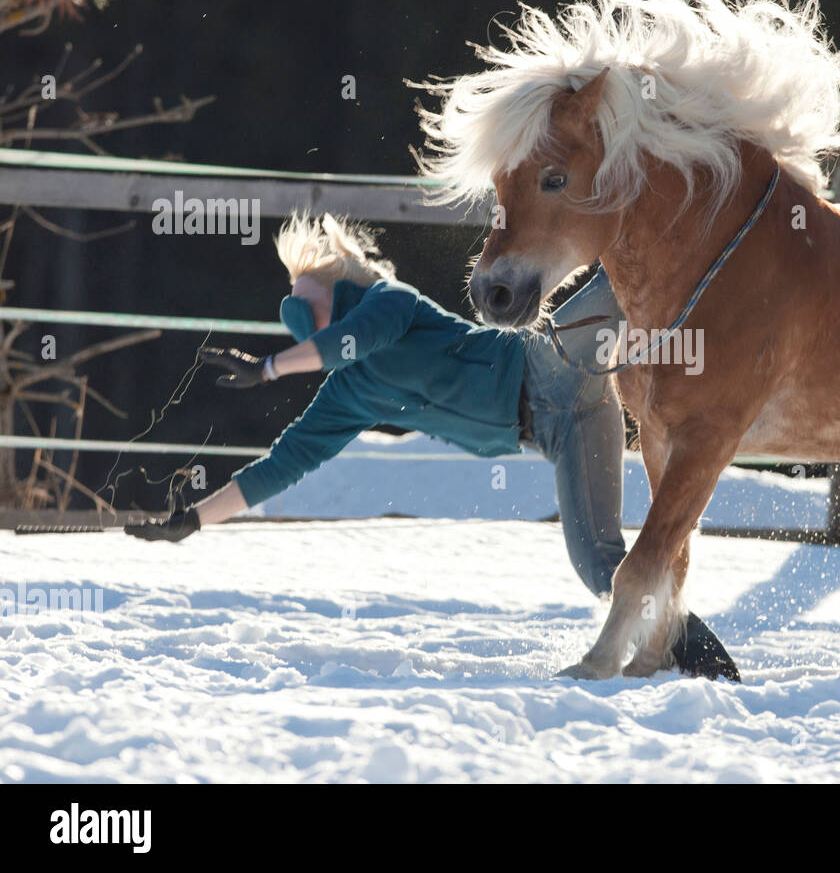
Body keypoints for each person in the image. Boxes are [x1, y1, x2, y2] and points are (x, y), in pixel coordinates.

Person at [126, 213, 739, 681]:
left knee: (607, 291)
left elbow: (348, 341)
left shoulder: (386, 305)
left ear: (333, 285)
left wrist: (267, 369)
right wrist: (191, 521)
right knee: (599, 566)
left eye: (300, 291)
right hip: (563, 428)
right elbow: (282, 466)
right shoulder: (348, 395)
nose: (292, 305)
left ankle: (712, 226)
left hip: (548, 365)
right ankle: (705, 660)